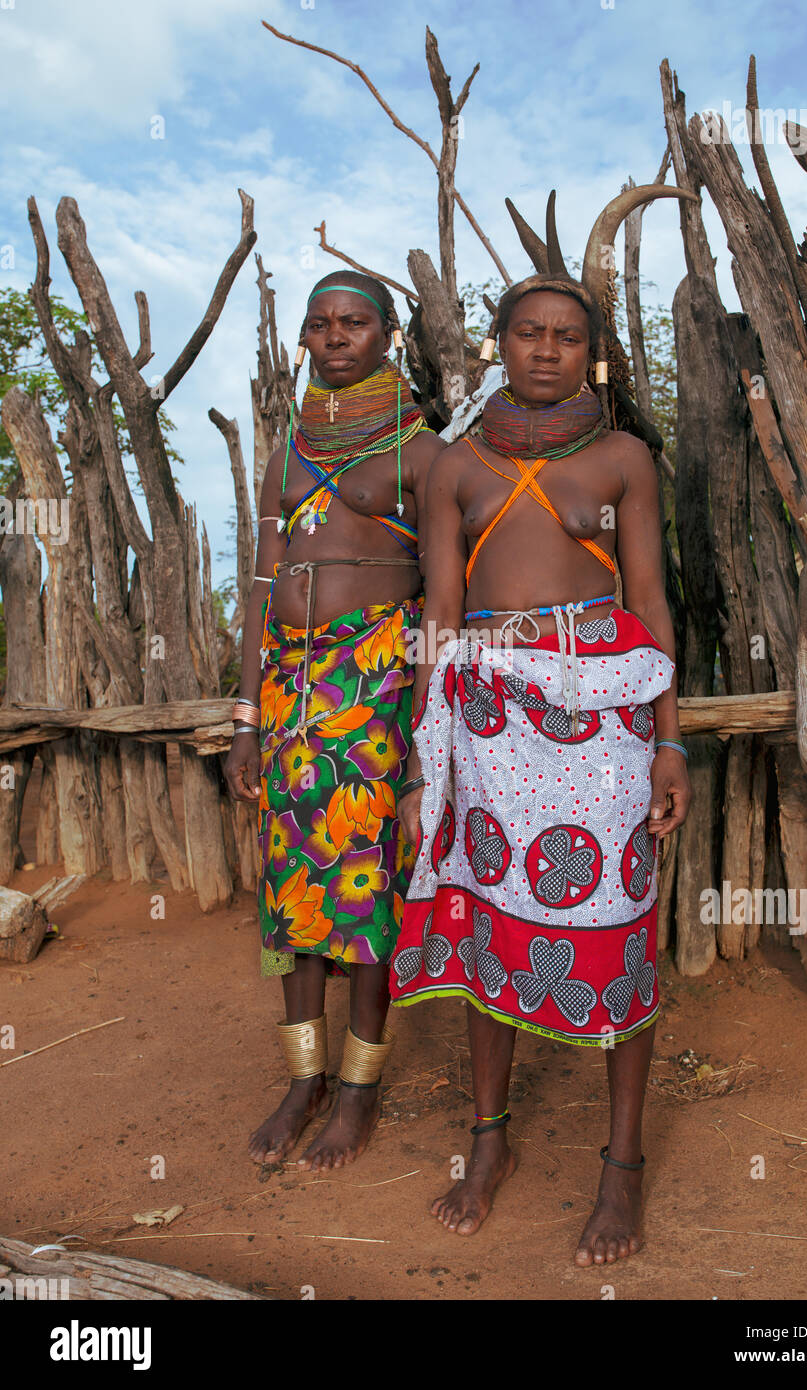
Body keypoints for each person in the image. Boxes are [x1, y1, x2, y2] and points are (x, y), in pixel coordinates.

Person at [392, 272, 691, 1264]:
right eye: (529, 333)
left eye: (567, 336)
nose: (548, 350)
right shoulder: (453, 467)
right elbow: (437, 614)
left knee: (615, 925)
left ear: (589, 353)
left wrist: (670, 740)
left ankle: (623, 1163)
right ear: (500, 345)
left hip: (601, 718)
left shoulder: (621, 461)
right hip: (483, 722)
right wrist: (417, 767)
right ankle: (487, 1141)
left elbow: (646, 596)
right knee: (488, 922)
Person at [226, 270, 443, 1171]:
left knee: (360, 893)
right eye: (319, 325)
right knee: (290, 893)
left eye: (354, 322)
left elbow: (442, 599)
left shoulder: (423, 452)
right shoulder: (286, 452)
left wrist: (426, 740)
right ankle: (303, 1077)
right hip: (290, 686)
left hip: (373, 681)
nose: (335, 337)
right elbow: (263, 586)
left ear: (389, 333)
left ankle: (357, 1092)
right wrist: (244, 718)